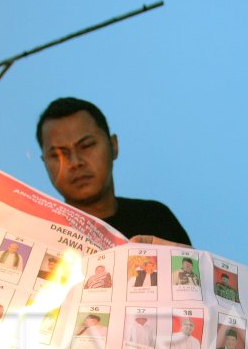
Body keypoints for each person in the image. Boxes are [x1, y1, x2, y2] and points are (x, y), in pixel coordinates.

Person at [37, 97, 191, 244]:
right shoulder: (37, 232)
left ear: (114, 146)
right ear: (44, 162)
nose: (75, 162)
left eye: (87, 146)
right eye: (59, 154)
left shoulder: (156, 218)